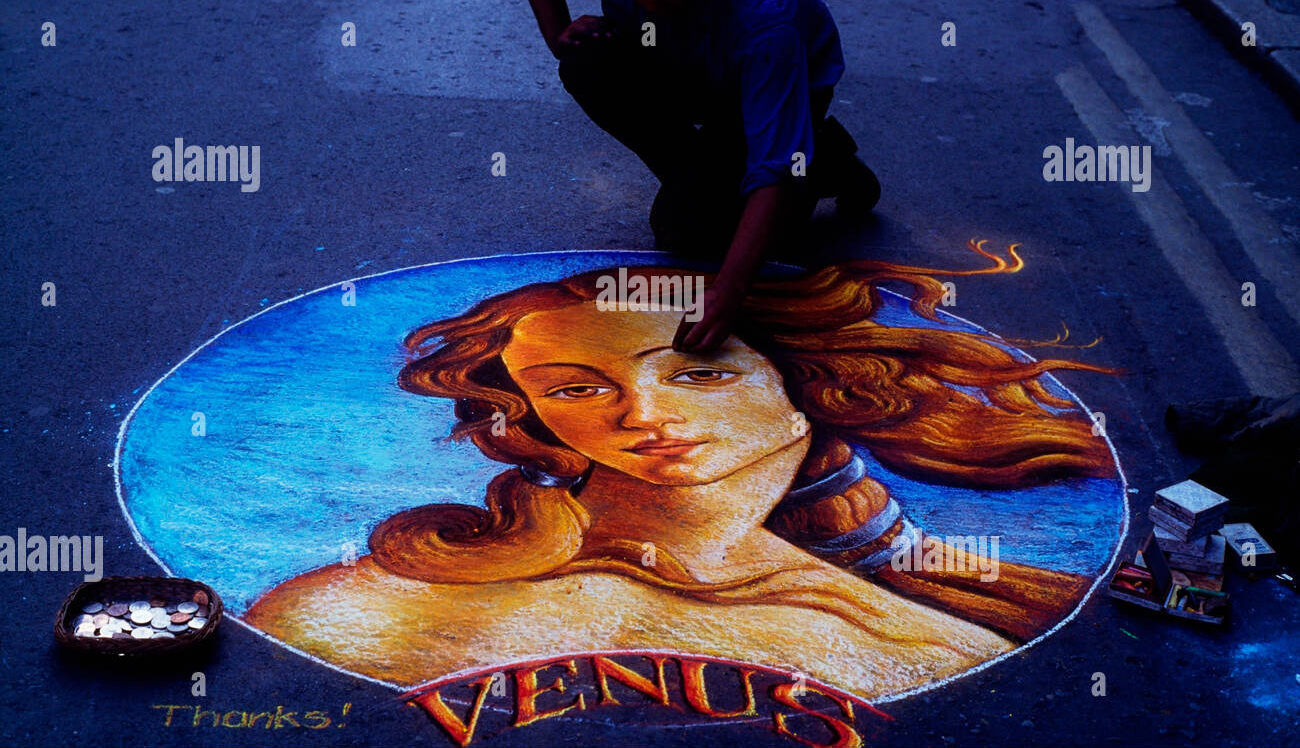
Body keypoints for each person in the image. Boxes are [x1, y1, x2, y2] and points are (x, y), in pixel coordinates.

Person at [245, 247, 1118, 698]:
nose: (646, 415)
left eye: (700, 372)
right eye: (579, 387)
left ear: (807, 384)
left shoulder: (927, 628)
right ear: (532, 412)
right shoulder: (373, 602)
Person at [508, 0, 881, 353]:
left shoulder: (765, 15)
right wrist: (558, 34)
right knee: (587, 62)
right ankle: (718, 176)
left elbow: (773, 168)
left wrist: (730, 291)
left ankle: (821, 157)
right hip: (677, 59)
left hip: (764, 89)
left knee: (691, 230)